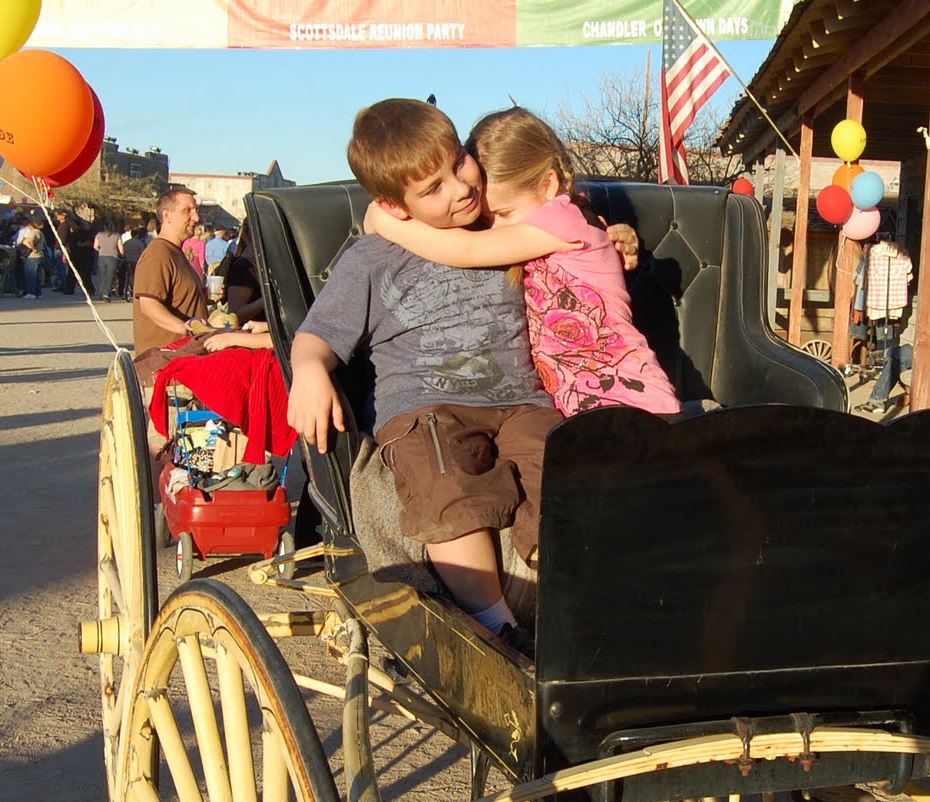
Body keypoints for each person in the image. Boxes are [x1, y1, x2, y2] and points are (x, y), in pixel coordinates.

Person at [289, 98, 568, 652]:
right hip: (429, 407)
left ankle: (560, 602)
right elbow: (318, 333)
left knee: (562, 468)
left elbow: (573, 245)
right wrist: (309, 368)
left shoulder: (503, 232)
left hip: (521, 401)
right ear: (394, 206)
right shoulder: (372, 259)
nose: (460, 189)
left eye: (460, 163)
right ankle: (495, 624)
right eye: (433, 188)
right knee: (445, 481)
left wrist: (616, 241)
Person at [364, 106, 680, 419]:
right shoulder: (537, 232)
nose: (495, 230)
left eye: (503, 214)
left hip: (630, 398)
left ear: (548, 185)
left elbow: (466, 249)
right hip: (577, 413)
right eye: (487, 220)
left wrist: (384, 219)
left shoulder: (564, 219)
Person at [131, 187, 208, 381]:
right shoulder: (158, 254)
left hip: (183, 365)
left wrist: (204, 296)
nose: (196, 217)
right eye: (187, 211)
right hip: (165, 368)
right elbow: (149, 305)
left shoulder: (175, 252)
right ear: (167, 215)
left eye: (196, 210)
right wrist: (183, 327)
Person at [93, 221, 121, 301]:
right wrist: (122, 254)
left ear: (104, 227)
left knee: (103, 275)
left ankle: (101, 292)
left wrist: (101, 250)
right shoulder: (117, 235)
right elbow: (120, 247)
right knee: (110, 276)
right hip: (113, 256)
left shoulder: (99, 235)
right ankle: (106, 293)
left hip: (102, 256)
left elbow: (95, 246)